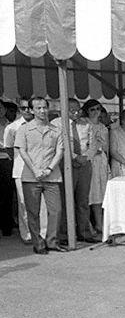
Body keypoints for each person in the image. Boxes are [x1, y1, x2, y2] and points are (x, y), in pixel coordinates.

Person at [15, 97, 65, 254]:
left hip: (52, 175)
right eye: (38, 108)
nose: (42, 111)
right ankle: (38, 243)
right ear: (31, 110)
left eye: (44, 107)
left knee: (56, 210)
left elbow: (60, 151)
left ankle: (52, 241)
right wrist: (35, 170)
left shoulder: (56, 130)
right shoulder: (24, 129)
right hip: (31, 176)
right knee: (33, 212)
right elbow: (22, 151)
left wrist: (49, 169)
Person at [51, 98, 96, 244]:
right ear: (63, 110)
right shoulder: (56, 124)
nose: (76, 113)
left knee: (83, 199)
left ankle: (84, 232)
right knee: (65, 200)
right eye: (72, 110)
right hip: (66, 164)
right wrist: (74, 157)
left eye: (78, 109)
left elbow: (93, 144)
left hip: (85, 165)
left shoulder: (86, 123)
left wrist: (85, 157)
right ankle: (64, 234)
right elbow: (59, 144)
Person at [6, 98, 35, 242]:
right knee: (23, 203)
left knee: (39, 205)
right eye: (24, 108)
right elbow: (9, 149)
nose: (27, 111)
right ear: (20, 110)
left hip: (39, 169)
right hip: (21, 169)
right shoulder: (12, 127)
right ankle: (27, 235)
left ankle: (41, 233)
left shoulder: (41, 125)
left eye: (30, 108)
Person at [81, 99, 111, 237]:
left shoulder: (103, 127)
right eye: (92, 109)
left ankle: (100, 224)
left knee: (100, 194)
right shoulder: (82, 125)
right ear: (87, 110)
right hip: (88, 160)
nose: (96, 112)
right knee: (87, 194)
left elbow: (106, 148)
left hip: (101, 161)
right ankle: (88, 225)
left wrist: (101, 141)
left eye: (98, 109)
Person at [0, 101, 12, 236]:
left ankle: (7, 226)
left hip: (7, 162)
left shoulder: (11, 125)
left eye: (1, 108)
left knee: (7, 194)